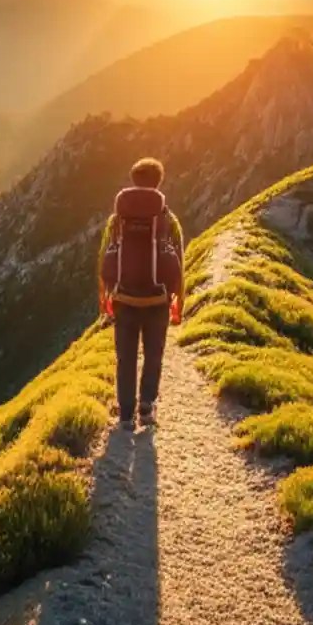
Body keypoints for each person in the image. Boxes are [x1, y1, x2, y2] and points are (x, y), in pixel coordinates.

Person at [98, 158, 185, 430]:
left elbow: (104, 255)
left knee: (125, 358)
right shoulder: (168, 219)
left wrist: (105, 299)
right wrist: (178, 301)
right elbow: (180, 260)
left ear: (134, 180)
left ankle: (125, 416)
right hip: (158, 299)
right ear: (158, 182)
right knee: (153, 354)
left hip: (124, 298)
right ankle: (146, 408)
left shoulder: (117, 219)